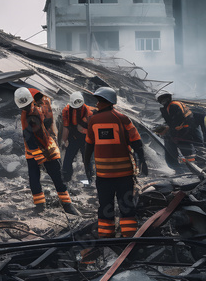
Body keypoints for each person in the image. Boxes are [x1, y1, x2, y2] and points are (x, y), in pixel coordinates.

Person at [83, 87, 147, 238]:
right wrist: (143, 161)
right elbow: (137, 142)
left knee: (105, 205)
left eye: (99, 101)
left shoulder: (93, 121)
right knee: (126, 204)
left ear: (104, 102)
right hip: (124, 173)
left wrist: (86, 165)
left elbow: (88, 146)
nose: (97, 104)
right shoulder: (123, 118)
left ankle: (106, 237)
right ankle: (129, 236)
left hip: (103, 174)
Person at [14, 87, 78, 214]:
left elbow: (34, 137)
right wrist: (39, 157)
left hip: (44, 149)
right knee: (37, 177)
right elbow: (32, 138)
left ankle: (67, 205)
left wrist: (40, 157)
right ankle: (42, 205)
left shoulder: (32, 114)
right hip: (39, 150)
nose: (25, 108)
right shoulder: (32, 111)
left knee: (55, 176)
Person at [155, 92, 202, 171]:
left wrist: (171, 133)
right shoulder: (176, 104)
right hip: (188, 130)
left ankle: (185, 169)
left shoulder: (172, 106)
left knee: (182, 150)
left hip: (183, 131)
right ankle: (190, 168)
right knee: (187, 150)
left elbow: (177, 121)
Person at [59, 92, 92, 183]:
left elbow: (93, 130)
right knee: (67, 160)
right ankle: (66, 178)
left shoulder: (88, 112)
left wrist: (83, 130)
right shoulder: (66, 111)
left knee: (87, 160)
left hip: (86, 138)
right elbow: (66, 127)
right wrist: (63, 141)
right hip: (73, 138)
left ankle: (91, 179)